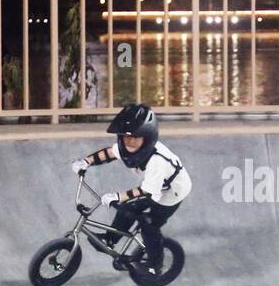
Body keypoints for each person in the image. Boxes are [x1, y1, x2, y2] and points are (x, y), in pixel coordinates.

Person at [71, 103, 191, 275]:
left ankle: (155, 265)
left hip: (172, 192)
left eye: (135, 138)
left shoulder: (157, 161)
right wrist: (85, 161)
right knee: (126, 209)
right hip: (153, 185)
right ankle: (111, 240)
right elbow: (108, 154)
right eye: (126, 137)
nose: (129, 142)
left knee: (148, 224)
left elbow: (147, 192)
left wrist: (118, 196)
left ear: (147, 138)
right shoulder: (127, 146)